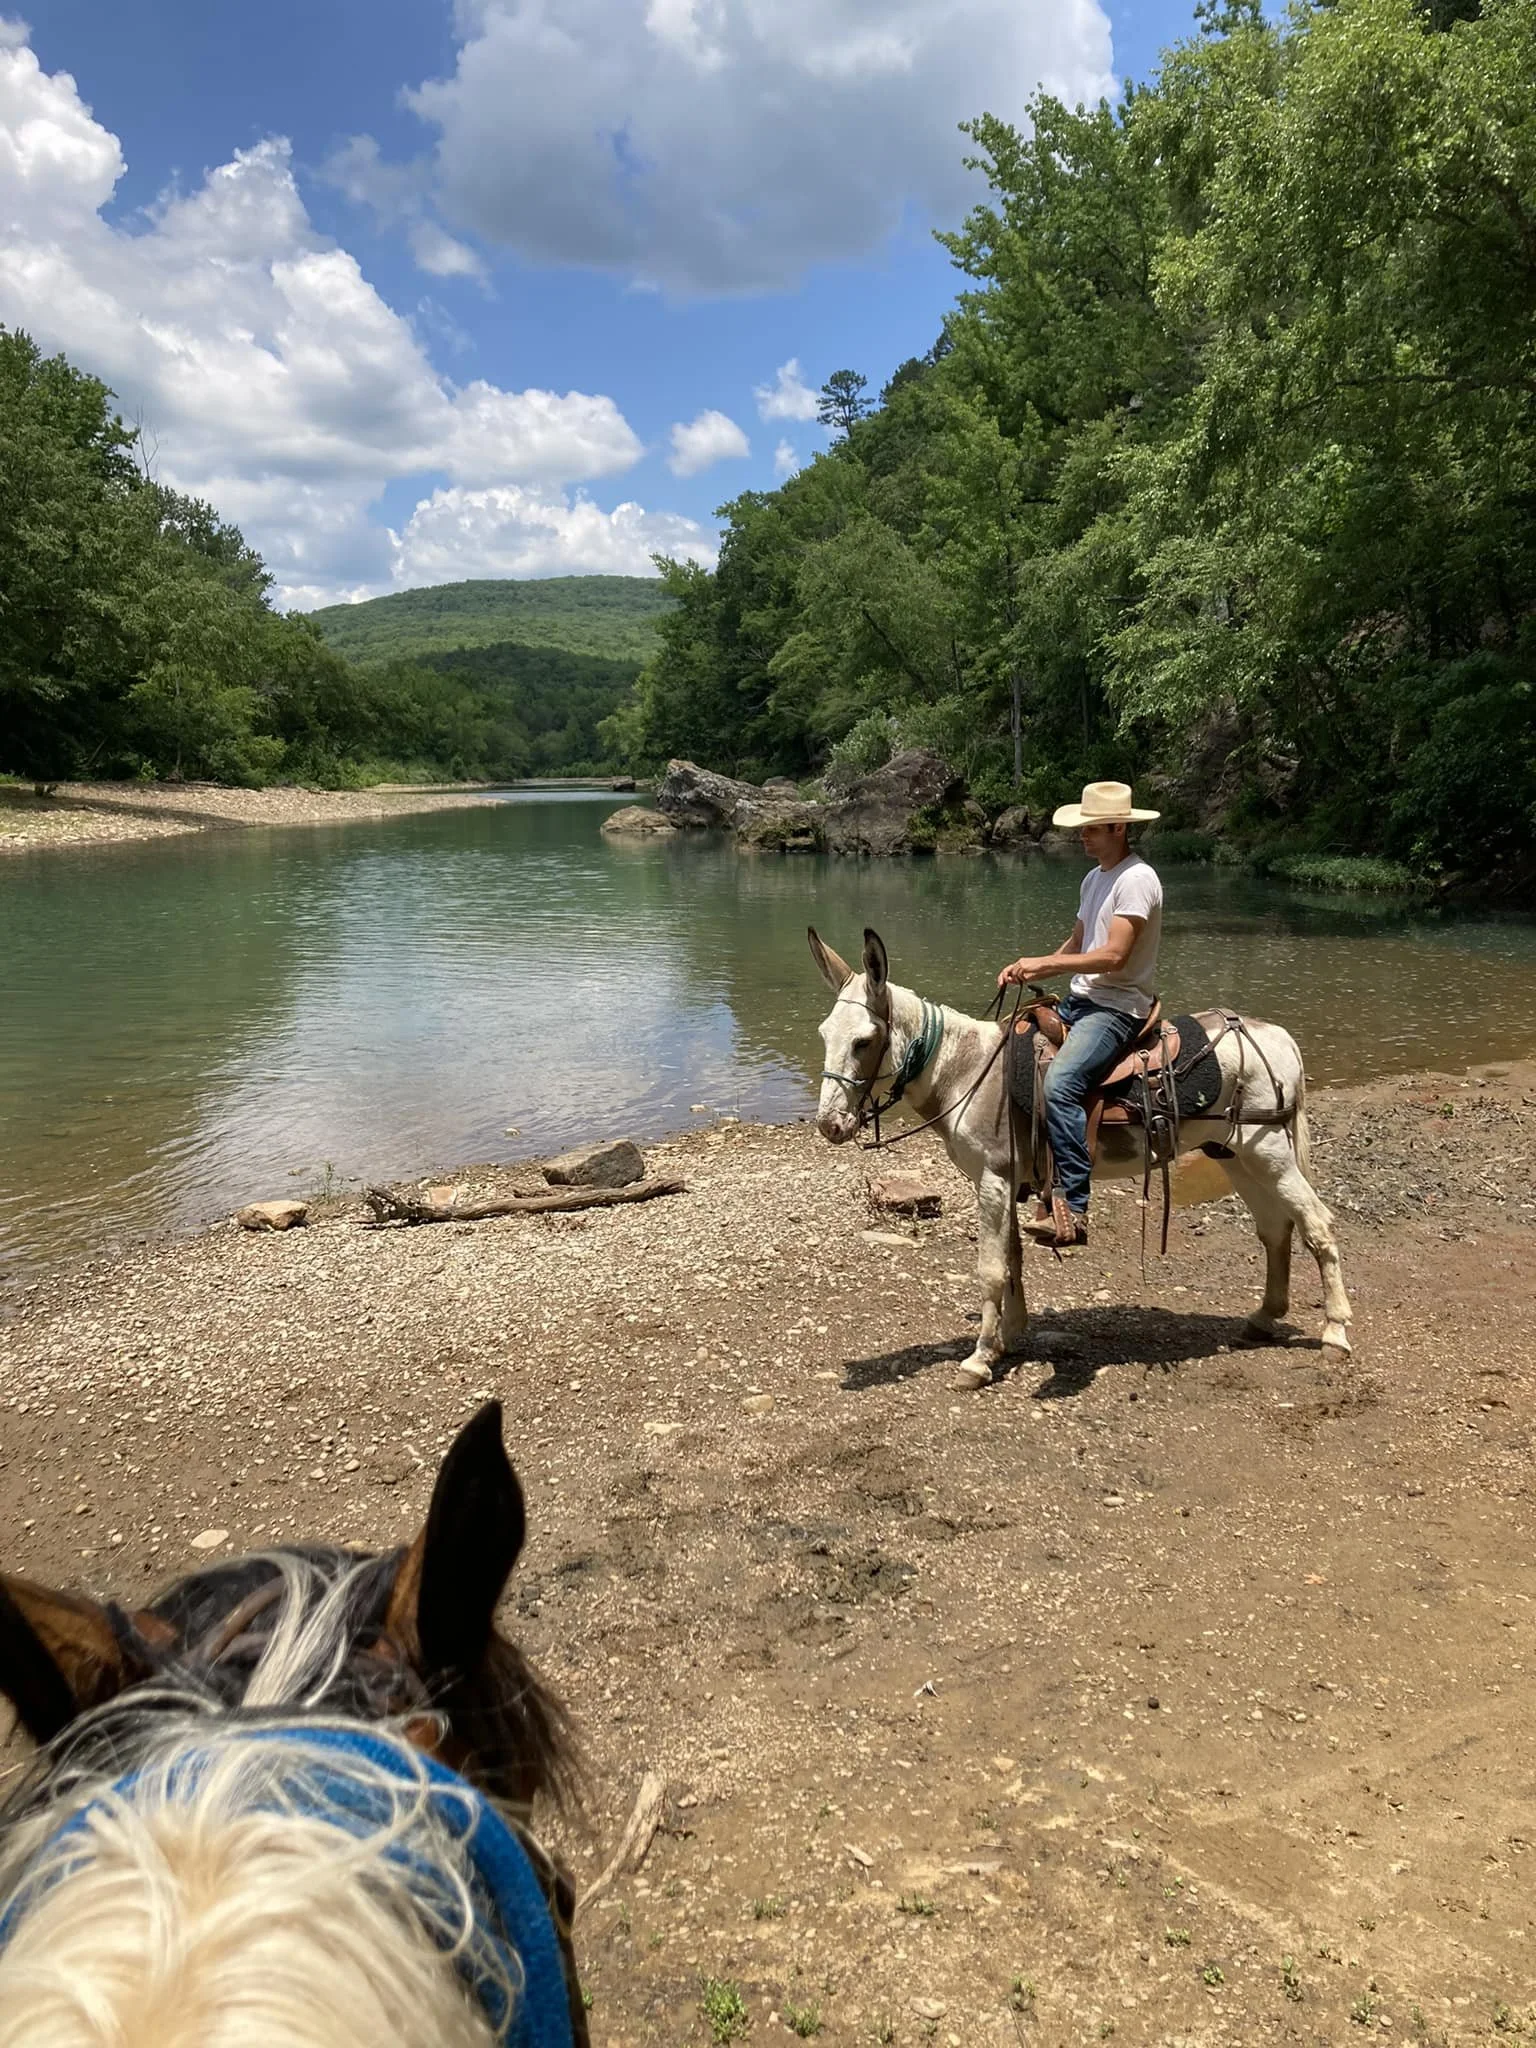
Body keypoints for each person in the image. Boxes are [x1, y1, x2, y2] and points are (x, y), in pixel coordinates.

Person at [997, 780, 1163, 1246]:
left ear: (1118, 827)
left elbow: (1114, 957)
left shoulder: (1137, 879)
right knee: (1010, 1046)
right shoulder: (1095, 878)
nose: (1083, 837)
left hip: (1117, 1007)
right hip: (1080, 999)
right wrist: (1032, 968)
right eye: (1083, 829)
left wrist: (1047, 965)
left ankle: (1073, 1205)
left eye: (1092, 829)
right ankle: (1032, 1172)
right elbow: (1078, 943)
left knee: (1062, 1083)